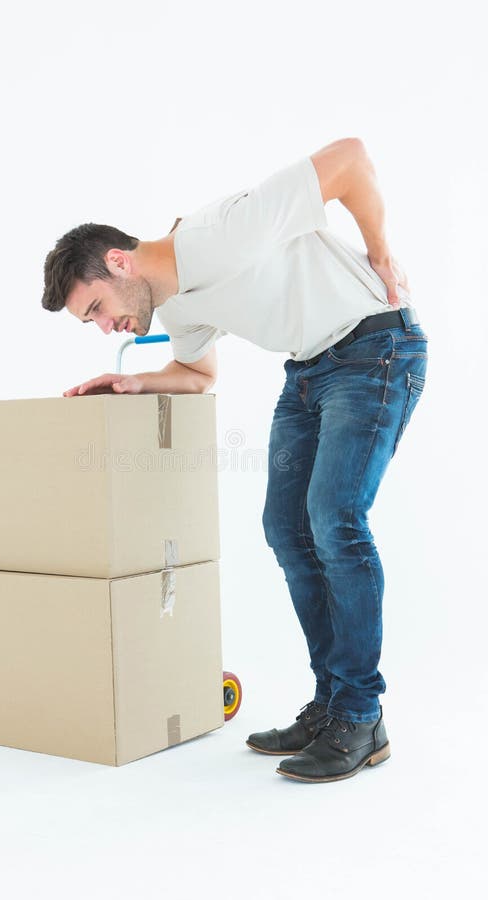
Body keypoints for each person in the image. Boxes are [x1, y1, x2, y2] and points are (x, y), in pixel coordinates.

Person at [41, 137, 429, 783]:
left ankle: (360, 715)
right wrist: (136, 383)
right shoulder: (176, 302)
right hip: (310, 372)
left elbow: (352, 160)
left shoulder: (220, 231)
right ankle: (332, 707)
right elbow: (196, 371)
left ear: (118, 263)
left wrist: (381, 251)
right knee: (286, 528)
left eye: (96, 310)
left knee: (335, 520)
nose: (105, 326)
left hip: (376, 350)